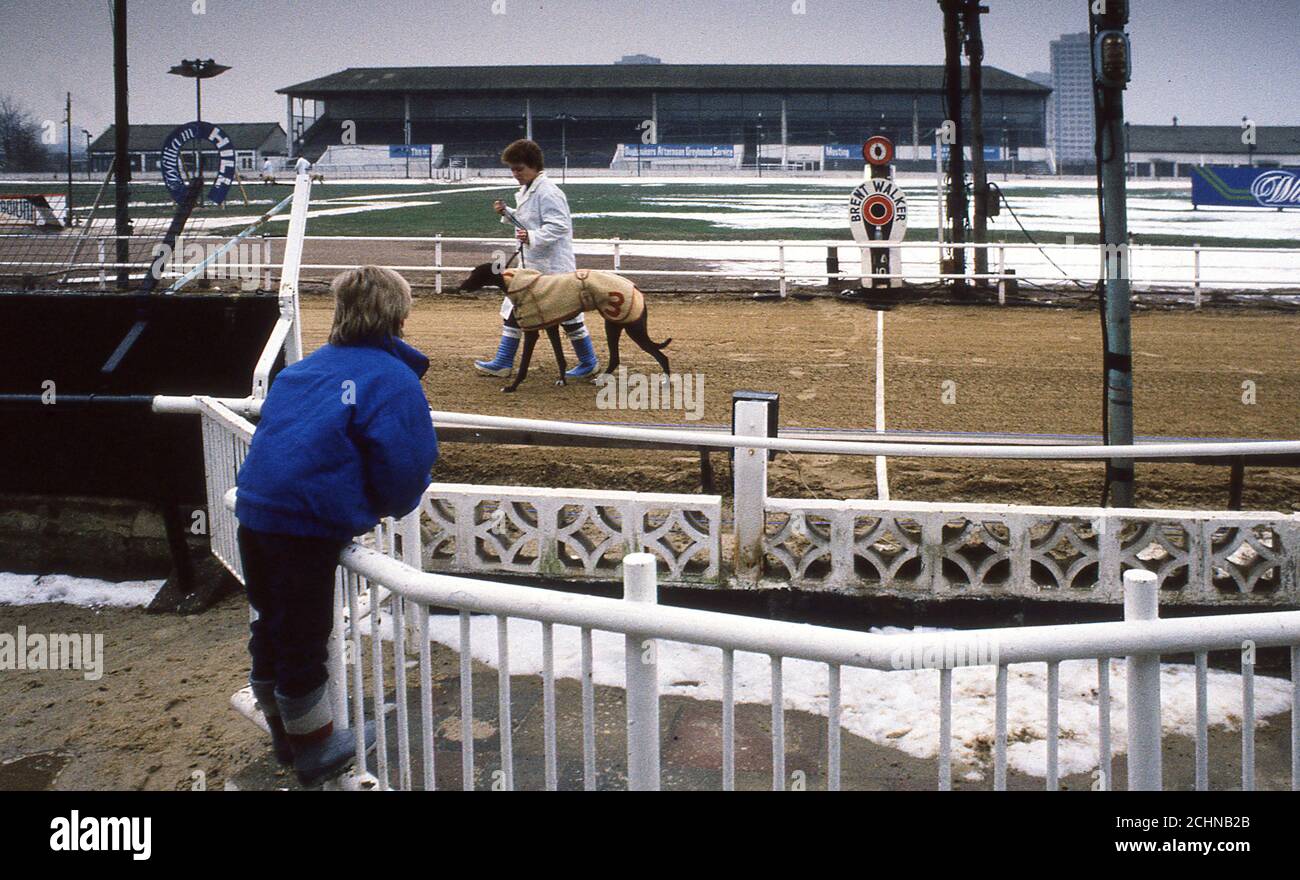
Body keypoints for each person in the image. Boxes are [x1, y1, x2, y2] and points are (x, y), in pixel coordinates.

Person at [234, 265, 439, 787]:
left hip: (255, 510)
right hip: (305, 525)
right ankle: (316, 750)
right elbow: (405, 465)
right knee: (305, 636)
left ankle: (284, 731)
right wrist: (386, 504)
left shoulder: (302, 369)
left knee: (272, 622)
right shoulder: (390, 378)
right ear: (399, 314)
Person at [473, 139, 598, 380]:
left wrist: (531, 236)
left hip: (552, 266)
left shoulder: (548, 191)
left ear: (533, 166)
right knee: (517, 307)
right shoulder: (529, 189)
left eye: (518, 168)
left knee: (567, 314)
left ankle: (588, 362)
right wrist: (508, 214)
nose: (514, 174)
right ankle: (504, 361)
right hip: (533, 265)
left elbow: (559, 226)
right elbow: (529, 221)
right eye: (512, 169)